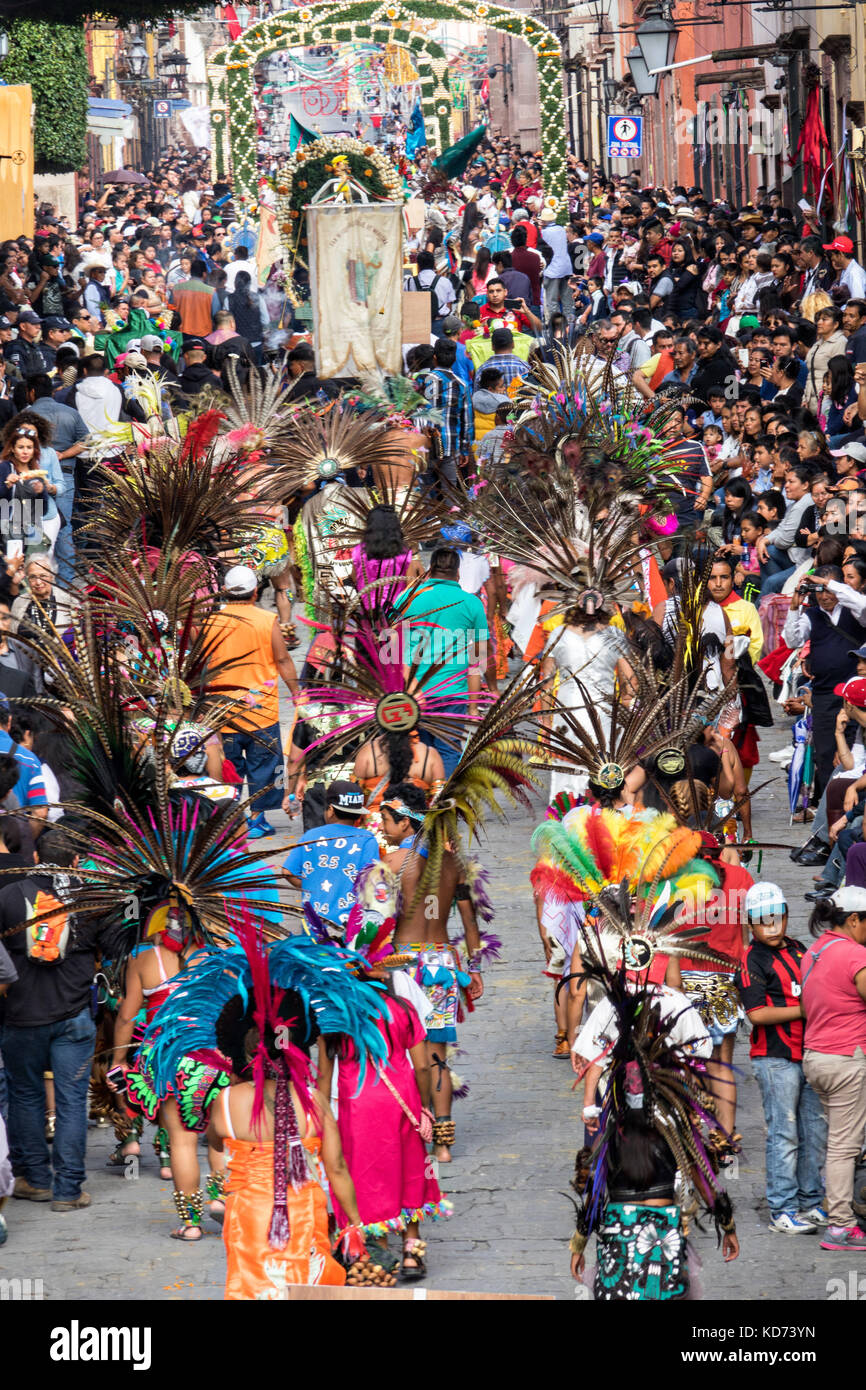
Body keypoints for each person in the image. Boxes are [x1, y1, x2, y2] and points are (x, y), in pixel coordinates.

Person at [0, 826, 125, 1211]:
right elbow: (118, 951)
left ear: (35, 858)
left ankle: (34, 1180)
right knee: (72, 1101)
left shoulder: (6, 896)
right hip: (75, 1018)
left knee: (24, 1095)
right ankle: (69, 1189)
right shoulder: (93, 899)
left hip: (20, 1017)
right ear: (76, 862)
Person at [737, 881, 828, 1235]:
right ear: (751, 924)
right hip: (774, 1057)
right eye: (763, 921)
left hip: (807, 1052)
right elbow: (756, 1014)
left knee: (814, 1130)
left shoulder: (798, 949)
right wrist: (803, 1009)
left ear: (787, 916)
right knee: (784, 1132)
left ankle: (810, 1200)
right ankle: (782, 1208)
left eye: (778, 918)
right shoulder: (751, 959)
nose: (772, 927)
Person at [202, 565, 299, 838]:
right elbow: (282, 659)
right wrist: (296, 692)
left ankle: (231, 818)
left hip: (222, 713)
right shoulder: (266, 620)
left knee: (228, 767)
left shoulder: (210, 622)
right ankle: (257, 819)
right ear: (256, 592)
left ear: (225, 592)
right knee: (265, 767)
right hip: (261, 713)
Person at [801, 888, 866, 1251]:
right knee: (844, 1145)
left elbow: (810, 1007)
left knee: (838, 1142)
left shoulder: (815, 950)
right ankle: (841, 1225)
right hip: (846, 1060)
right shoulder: (855, 955)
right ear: (854, 919)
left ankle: (836, 1208)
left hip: (816, 1056)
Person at [394, 545, 495, 774]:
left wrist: (410, 687)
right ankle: (443, 805)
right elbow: (477, 661)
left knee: (417, 750)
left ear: (429, 571)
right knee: (449, 751)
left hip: (413, 693)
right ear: (458, 574)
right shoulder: (472, 603)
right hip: (452, 692)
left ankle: (420, 803)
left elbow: (392, 649)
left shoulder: (406, 599)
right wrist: (472, 706)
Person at [282, 780, 380, 939]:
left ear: (331, 810)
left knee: (316, 962)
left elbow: (287, 871)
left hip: (314, 925)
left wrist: (310, 884)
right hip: (350, 927)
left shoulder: (311, 836)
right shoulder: (366, 839)